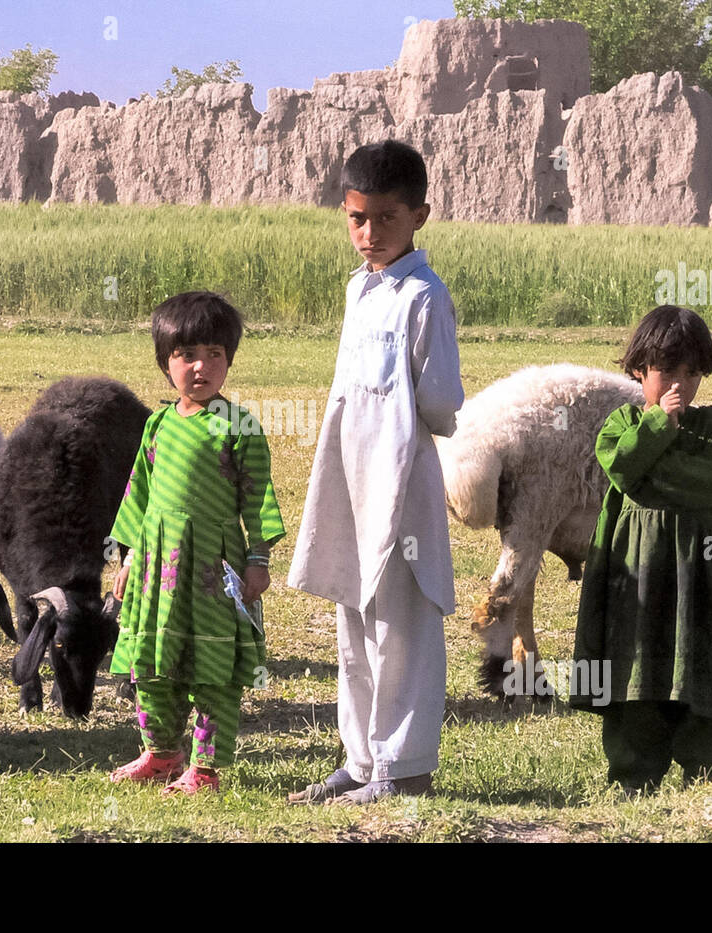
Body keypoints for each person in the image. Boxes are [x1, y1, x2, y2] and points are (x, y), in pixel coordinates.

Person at [286, 140, 465, 804]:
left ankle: (405, 768)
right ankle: (361, 761)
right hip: (352, 485)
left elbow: (442, 402)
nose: (370, 233)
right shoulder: (359, 292)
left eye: (386, 218)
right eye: (357, 218)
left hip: (403, 490)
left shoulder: (423, 296)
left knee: (402, 629)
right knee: (354, 623)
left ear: (420, 215)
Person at [107, 291, 285, 796]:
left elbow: (258, 496)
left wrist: (258, 559)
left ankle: (204, 769)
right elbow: (137, 495)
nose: (201, 366)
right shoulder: (157, 425)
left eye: (215, 354)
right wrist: (128, 558)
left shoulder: (239, 425)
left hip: (213, 568)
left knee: (214, 667)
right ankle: (162, 753)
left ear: (229, 360)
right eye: (187, 355)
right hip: (156, 567)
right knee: (153, 661)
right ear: (166, 363)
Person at [571, 304, 712, 794]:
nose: (679, 385)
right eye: (666, 370)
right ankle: (633, 776)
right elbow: (621, 467)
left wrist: (650, 472)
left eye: (692, 372)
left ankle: (702, 777)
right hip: (634, 580)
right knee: (635, 666)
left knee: (699, 659)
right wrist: (656, 430)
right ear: (639, 370)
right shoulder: (620, 425)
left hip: (697, 576)